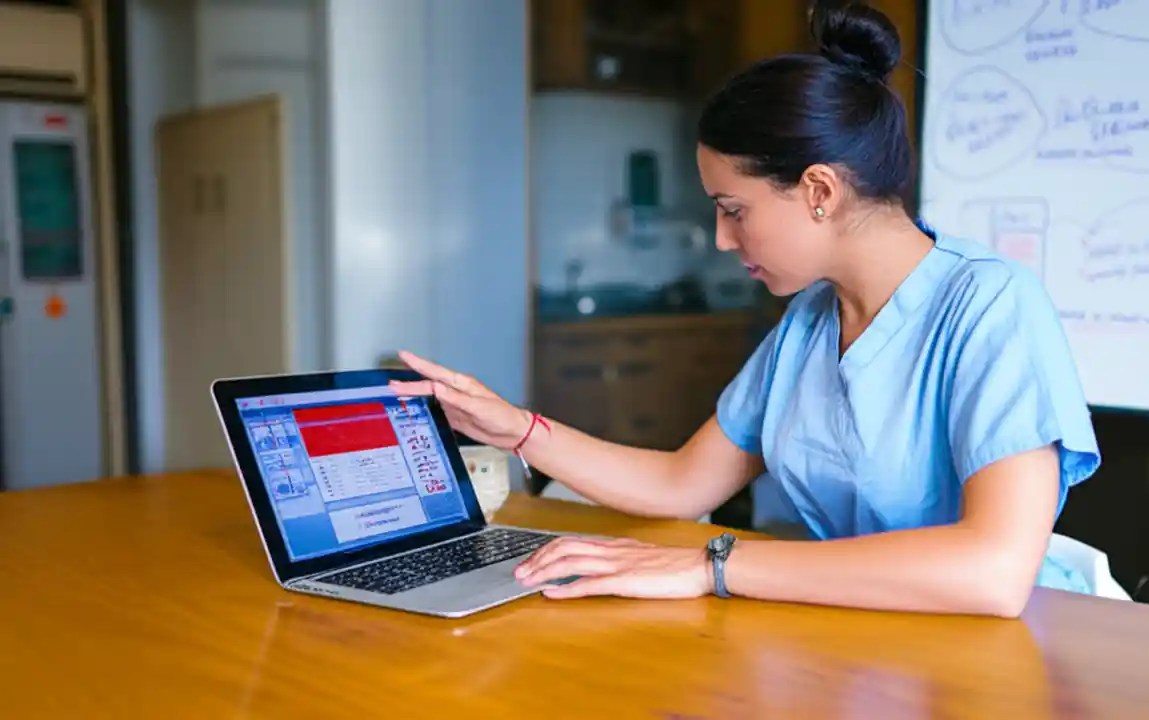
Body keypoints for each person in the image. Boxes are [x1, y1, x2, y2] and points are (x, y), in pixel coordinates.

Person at [390, 0, 1100, 618]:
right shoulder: (812, 321)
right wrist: (518, 429)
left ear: (819, 190)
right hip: (852, 632)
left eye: (735, 210)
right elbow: (681, 484)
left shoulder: (990, 304)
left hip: (985, 651)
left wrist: (712, 566)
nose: (724, 239)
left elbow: (993, 572)